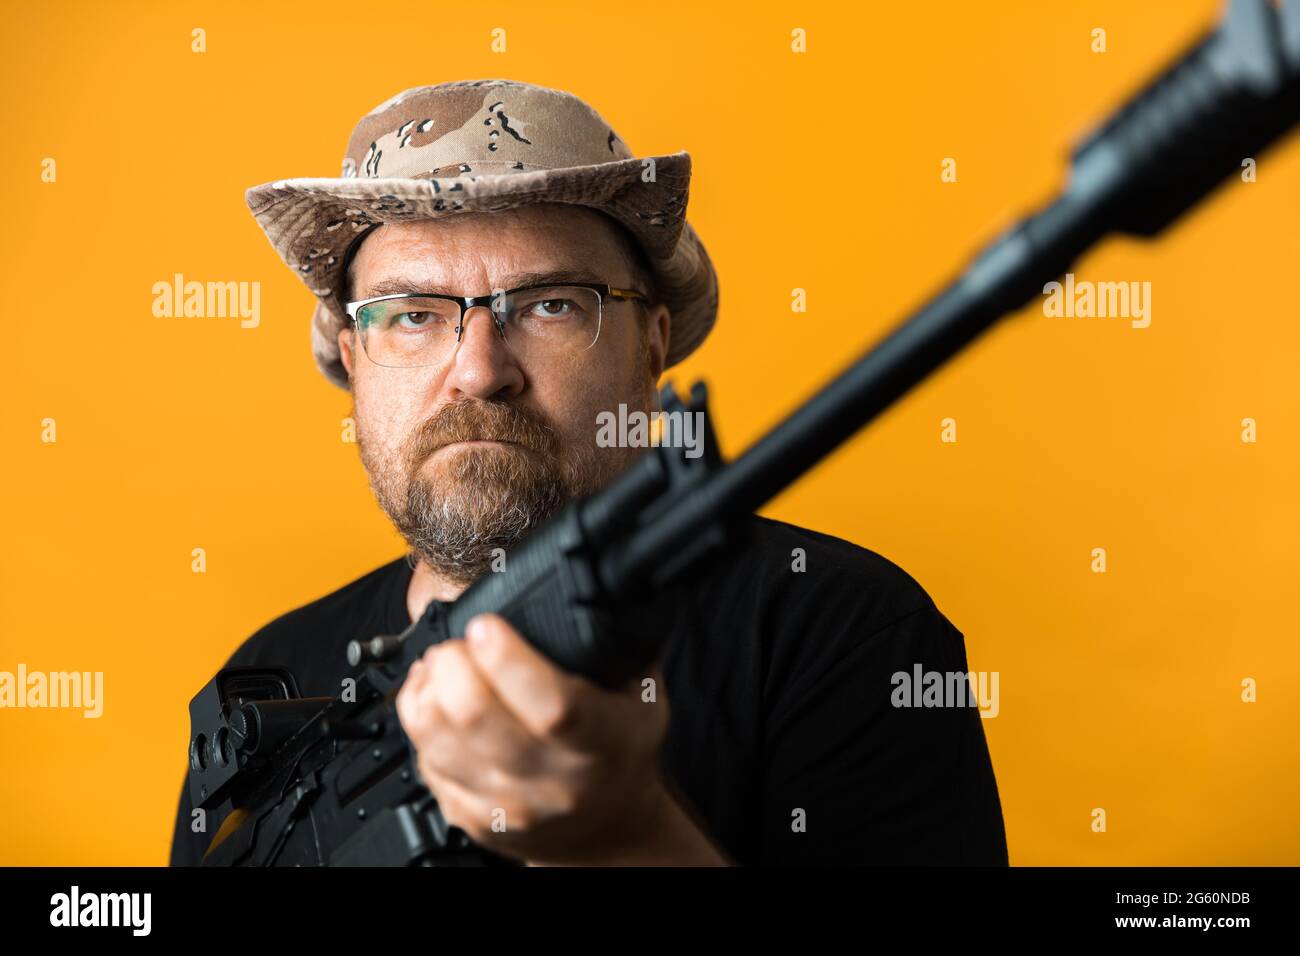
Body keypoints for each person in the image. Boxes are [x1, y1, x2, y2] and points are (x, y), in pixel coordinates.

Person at [169, 79, 1007, 866]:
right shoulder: (274, 673)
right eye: (413, 316)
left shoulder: (837, 634)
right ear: (354, 361)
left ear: (650, 345)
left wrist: (625, 836)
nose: (478, 369)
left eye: (550, 304)